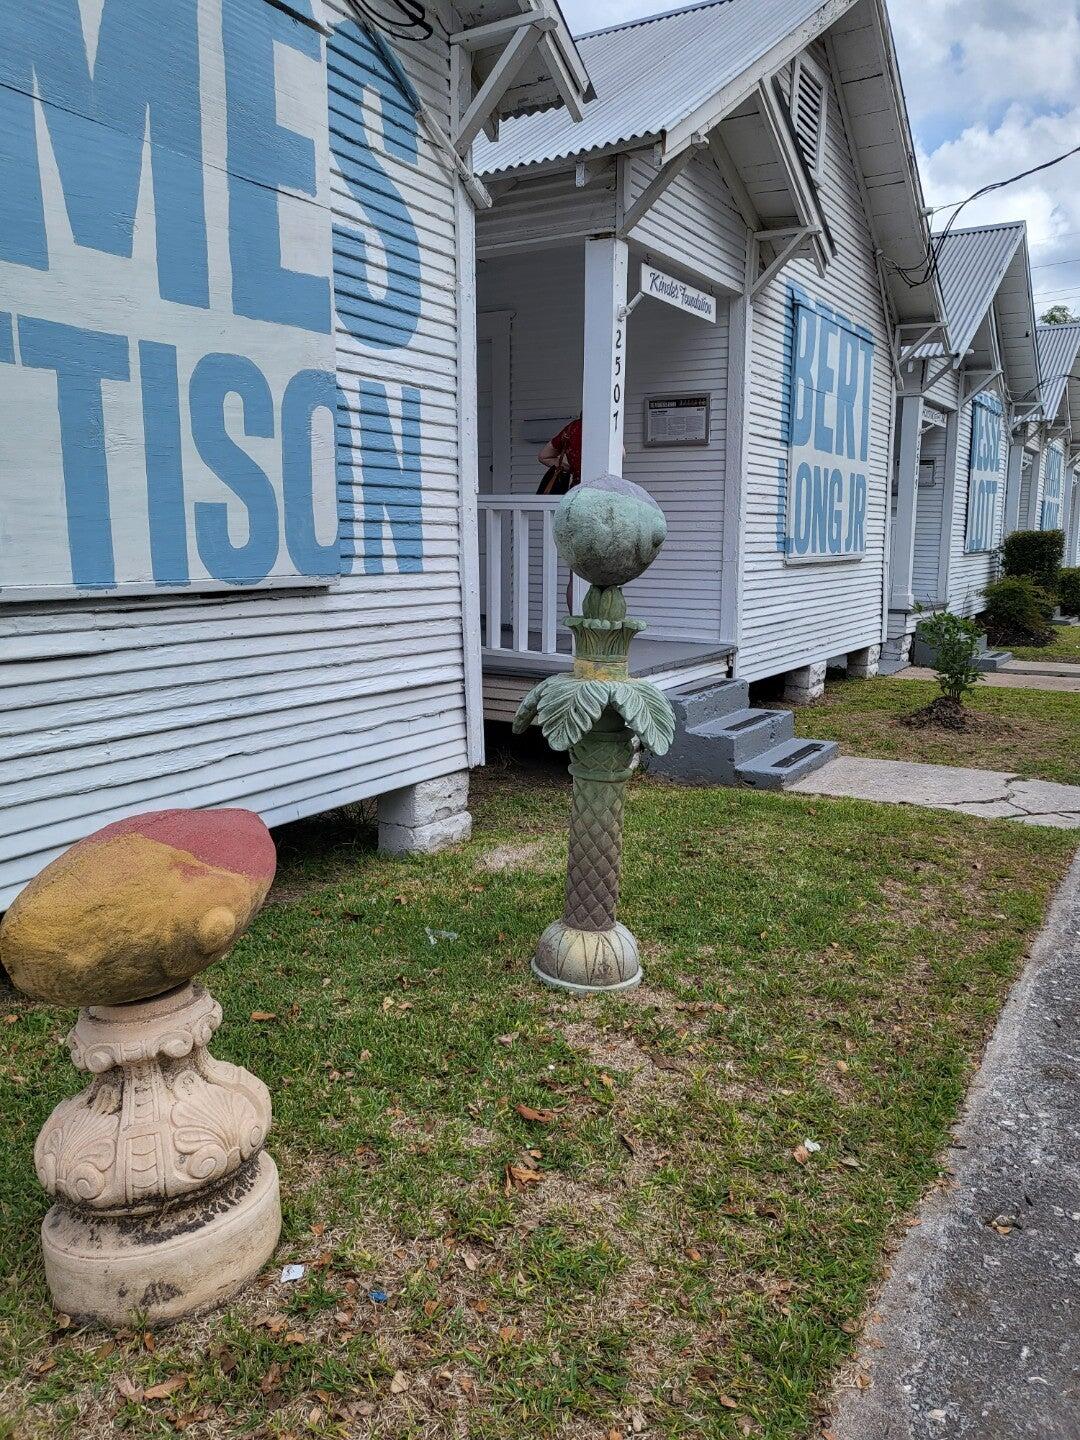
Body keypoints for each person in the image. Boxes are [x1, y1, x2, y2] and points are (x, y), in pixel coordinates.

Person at [536, 415, 582, 495]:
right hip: (604, 494)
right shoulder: (609, 425)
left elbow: (544, 456)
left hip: (576, 494)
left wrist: (574, 467)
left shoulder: (573, 428)